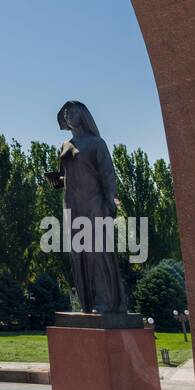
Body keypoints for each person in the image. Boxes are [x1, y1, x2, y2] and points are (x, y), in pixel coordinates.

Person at [47, 100, 128, 315]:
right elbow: (67, 176)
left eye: (71, 112)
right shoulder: (66, 145)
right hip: (72, 206)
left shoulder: (96, 144)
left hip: (94, 205)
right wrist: (58, 180)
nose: (67, 116)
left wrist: (110, 203)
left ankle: (107, 302)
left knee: (97, 253)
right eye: (65, 113)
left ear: (83, 115)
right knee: (79, 255)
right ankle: (88, 303)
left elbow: (108, 176)